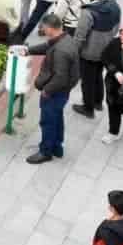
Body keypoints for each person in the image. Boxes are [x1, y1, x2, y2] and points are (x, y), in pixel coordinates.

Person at [18, 13, 79, 164]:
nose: (42, 30)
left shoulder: (60, 51)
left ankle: (45, 152)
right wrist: (28, 50)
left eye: (43, 28)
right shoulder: (64, 38)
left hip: (55, 92)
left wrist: (47, 91)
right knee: (57, 118)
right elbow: (47, 46)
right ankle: (57, 148)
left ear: (51, 28)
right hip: (62, 91)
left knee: (48, 121)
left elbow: (60, 77)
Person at [71, 0, 121, 119]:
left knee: (87, 80)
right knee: (99, 74)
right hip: (106, 50)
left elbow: (80, 36)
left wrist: (75, 51)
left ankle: (88, 108)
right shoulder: (115, 6)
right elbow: (117, 27)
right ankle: (98, 102)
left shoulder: (88, 11)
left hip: (89, 52)